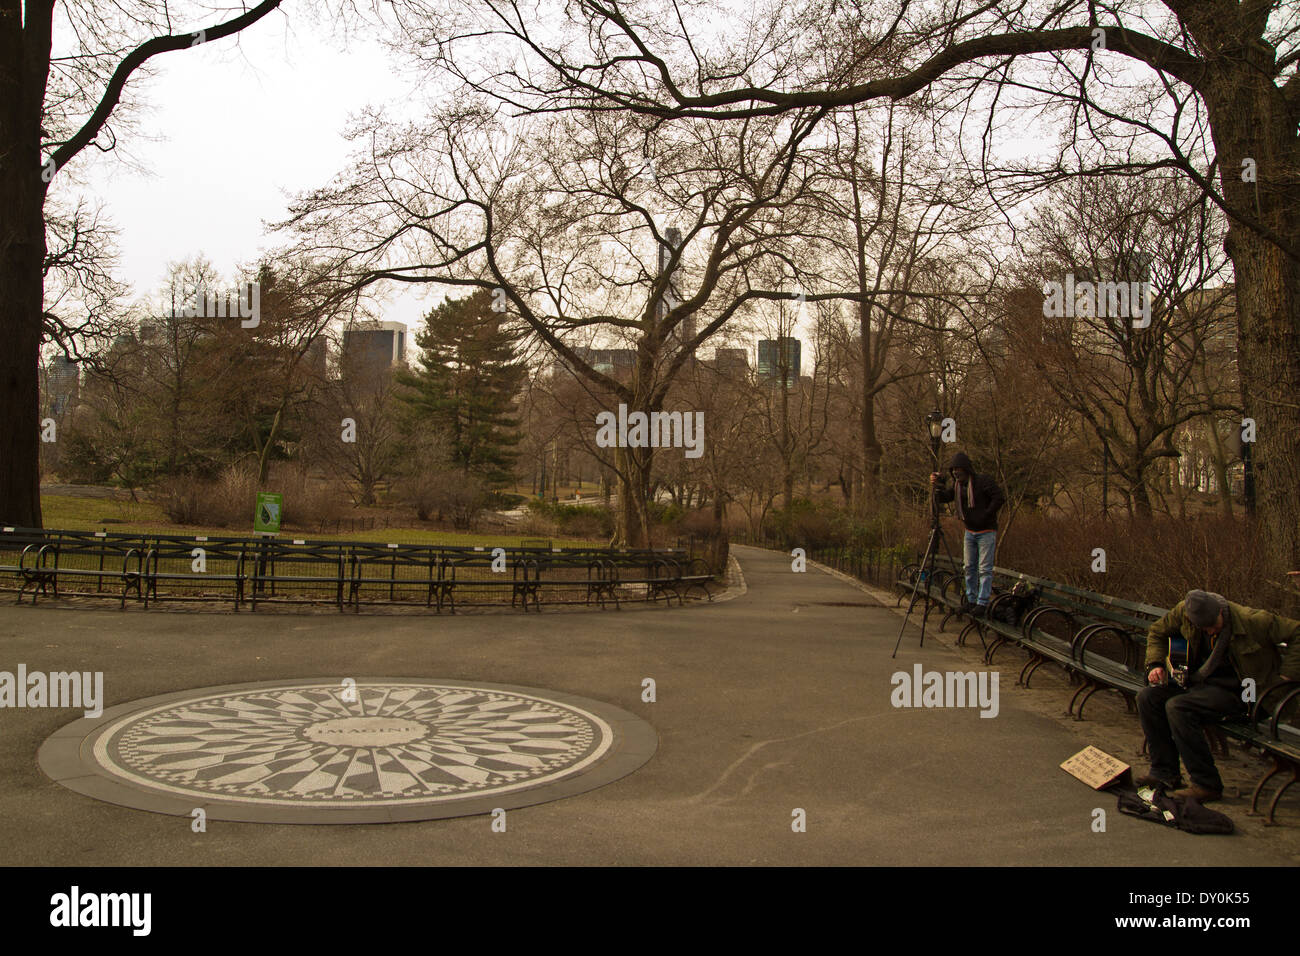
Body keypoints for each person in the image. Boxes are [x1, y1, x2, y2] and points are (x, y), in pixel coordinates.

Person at [1137, 589, 1300, 802]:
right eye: (1205, 628)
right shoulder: (1183, 612)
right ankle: (1164, 773)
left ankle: (1207, 784)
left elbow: (1297, 632)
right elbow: (1157, 632)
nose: (1212, 631)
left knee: (1178, 707)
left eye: (1215, 625)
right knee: (1147, 697)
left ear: (1220, 612)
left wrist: (1287, 676)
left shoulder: (1253, 620)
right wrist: (1155, 664)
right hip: (1199, 684)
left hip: (1244, 694)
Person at [930, 451, 1004, 618]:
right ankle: (971, 600)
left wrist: (986, 514)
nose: (957, 473)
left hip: (986, 532)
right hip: (970, 531)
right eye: (954, 470)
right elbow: (944, 497)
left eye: (959, 469)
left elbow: (998, 497)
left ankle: (982, 602)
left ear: (967, 469)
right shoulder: (957, 487)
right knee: (969, 567)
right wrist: (936, 486)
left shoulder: (983, 482)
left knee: (984, 569)